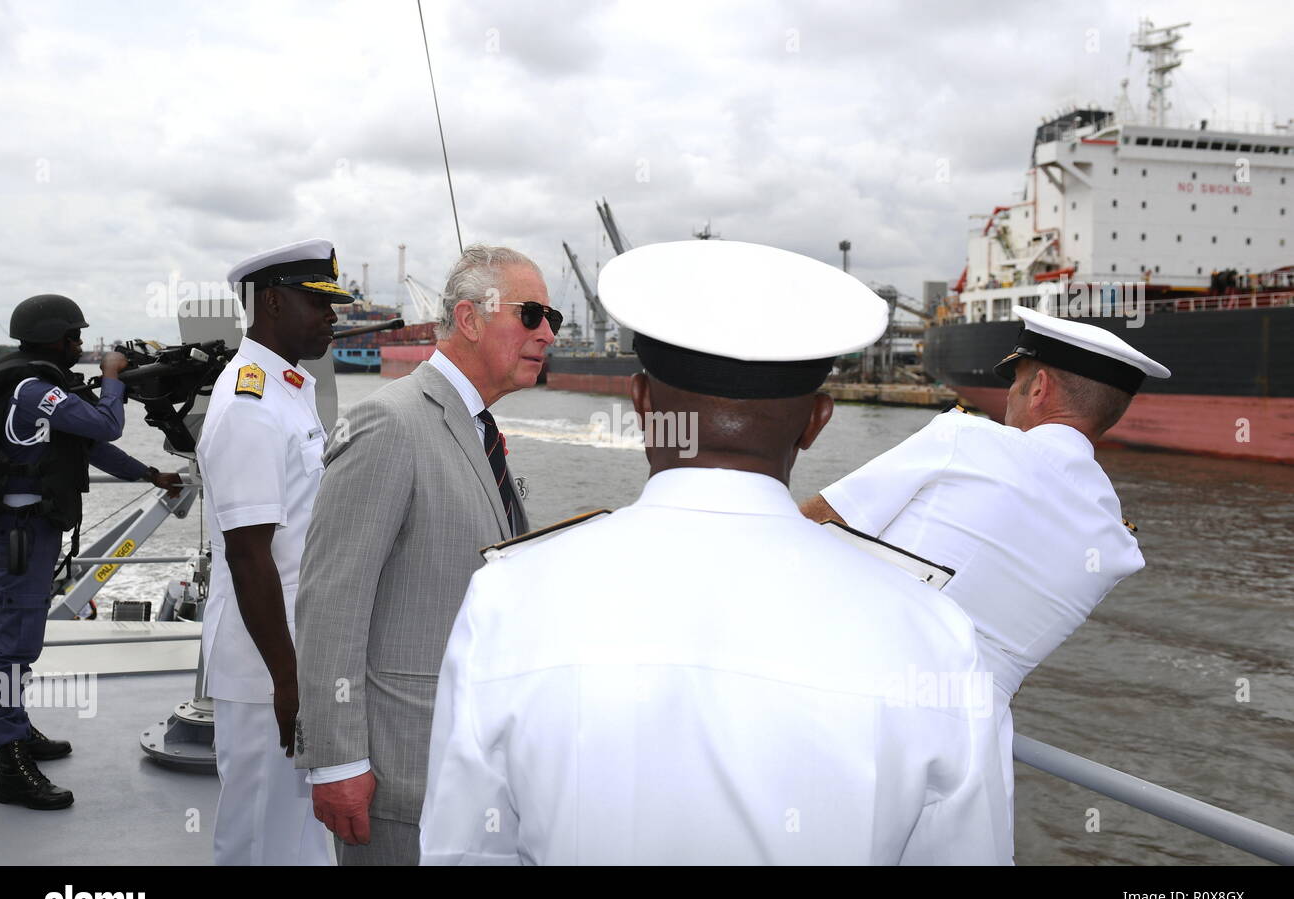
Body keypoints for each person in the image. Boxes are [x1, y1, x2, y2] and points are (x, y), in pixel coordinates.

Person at [418, 240, 1012, 865]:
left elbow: (465, 850)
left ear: (643, 404)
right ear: (817, 421)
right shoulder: (931, 632)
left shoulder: (510, 599)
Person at [800, 306, 1171, 848]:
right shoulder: (1115, 541)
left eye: (1016, 384)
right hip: (971, 756)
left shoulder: (963, 440)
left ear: (1040, 386)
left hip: (853, 710)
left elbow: (810, 524)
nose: (1009, 401)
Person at [295, 244, 556, 865]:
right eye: (532, 314)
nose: (548, 332)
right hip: (401, 772)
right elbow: (331, 601)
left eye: (553, 320)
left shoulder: (477, 429)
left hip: (472, 763)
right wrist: (338, 762)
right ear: (469, 319)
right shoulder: (390, 424)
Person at [196, 238, 351, 865]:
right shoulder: (249, 405)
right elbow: (248, 555)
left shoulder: (288, 389)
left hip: (291, 647)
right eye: (320, 304)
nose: (332, 318)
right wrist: (286, 680)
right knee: (260, 837)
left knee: (296, 834)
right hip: (266, 665)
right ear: (276, 302)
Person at [0, 294, 179, 810]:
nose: (80, 344)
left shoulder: (39, 385)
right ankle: (7, 759)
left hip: (31, 528)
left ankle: (14, 729)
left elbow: (89, 446)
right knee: (13, 644)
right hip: (19, 532)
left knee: (18, 639)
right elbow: (105, 425)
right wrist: (114, 375)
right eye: (76, 336)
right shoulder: (31, 387)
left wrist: (147, 474)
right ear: (56, 338)